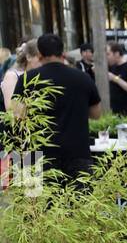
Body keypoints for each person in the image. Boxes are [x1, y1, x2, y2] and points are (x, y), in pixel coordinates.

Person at [10, 32, 101, 179]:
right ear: (62, 52)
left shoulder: (27, 79)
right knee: (79, 201)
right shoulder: (83, 78)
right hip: (77, 154)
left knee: (37, 202)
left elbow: (17, 117)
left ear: (39, 53)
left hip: (38, 155)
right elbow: (96, 114)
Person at [1, 40, 38, 114]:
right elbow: (11, 109)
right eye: (40, 58)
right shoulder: (12, 75)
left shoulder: (40, 73)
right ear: (29, 57)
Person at [106, 43, 127, 115]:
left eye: (108, 54)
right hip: (114, 111)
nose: (106, 57)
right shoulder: (112, 67)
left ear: (117, 54)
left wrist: (115, 78)